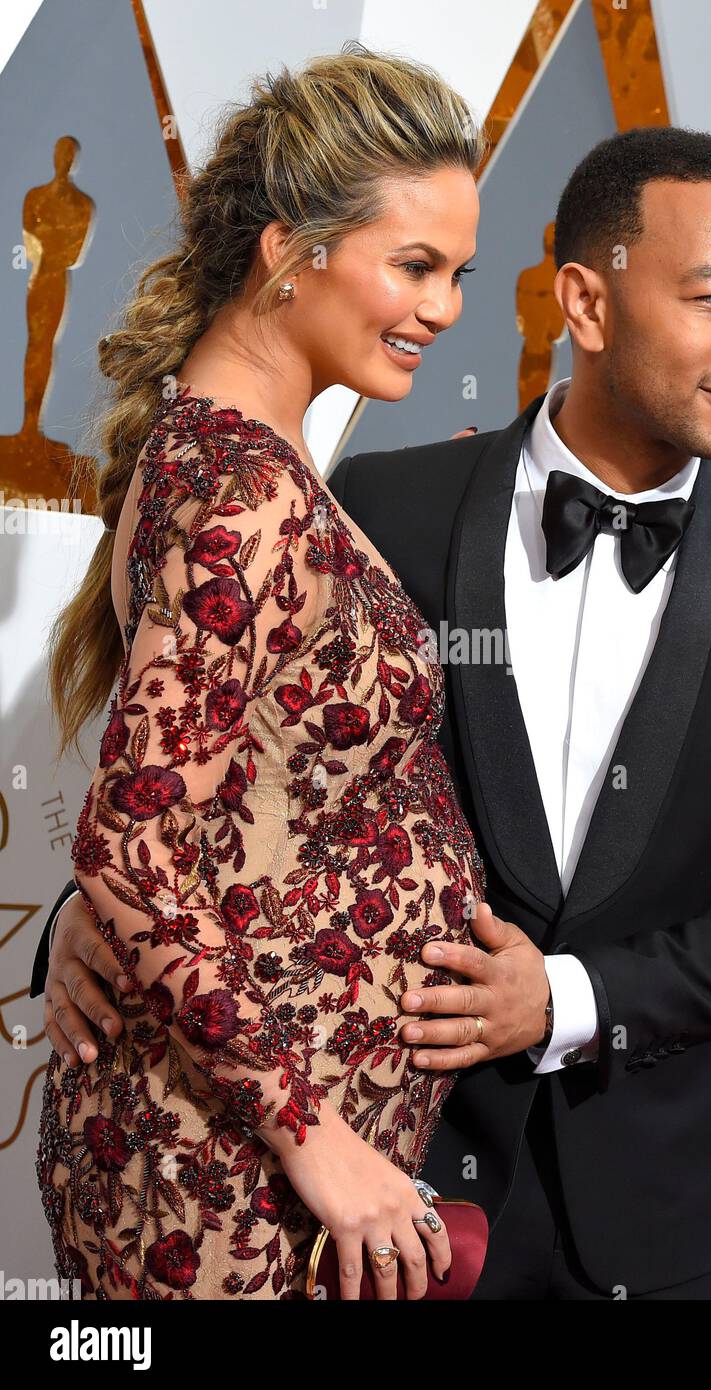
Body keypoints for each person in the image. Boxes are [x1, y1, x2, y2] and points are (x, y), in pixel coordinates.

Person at [33, 127, 711, 1301]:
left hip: (659, 1214)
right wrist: (94, 919)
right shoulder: (383, 502)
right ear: (586, 301)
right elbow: (241, 768)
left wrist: (574, 998)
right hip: (379, 1185)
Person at [31, 44, 532, 1302]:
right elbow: (133, 848)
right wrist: (324, 1150)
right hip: (227, 1174)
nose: (447, 307)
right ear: (289, 249)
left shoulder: (248, 457)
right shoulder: (244, 494)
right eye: (412, 266)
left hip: (261, 1153)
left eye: (459, 272)